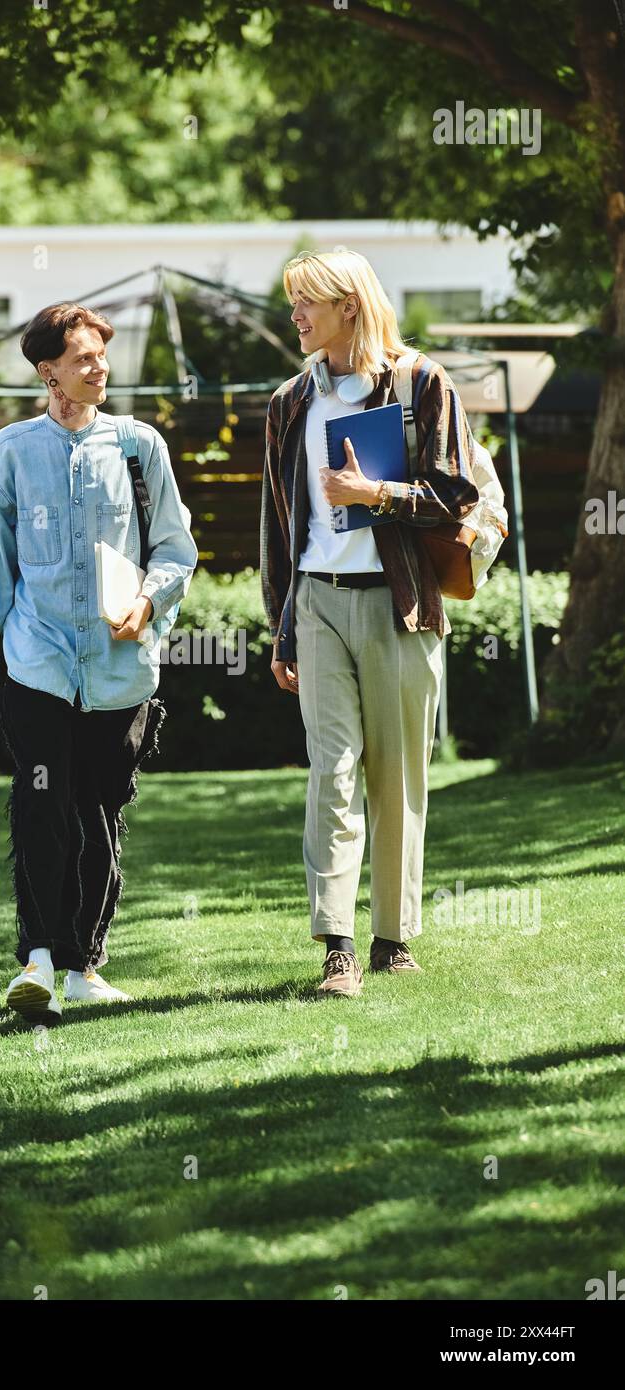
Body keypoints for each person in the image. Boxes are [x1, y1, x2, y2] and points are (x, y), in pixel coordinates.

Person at [0, 302, 197, 1023]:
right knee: (40, 804)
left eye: (102, 355)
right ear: (48, 370)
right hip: (36, 666)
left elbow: (176, 549)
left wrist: (150, 606)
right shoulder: (11, 449)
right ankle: (35, 959)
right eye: (85, 357)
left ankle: (83, 964)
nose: (101, 367)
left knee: (97, 816)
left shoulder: (138, 447)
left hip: (119, 671)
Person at [260, 248, 480, 998]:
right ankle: (339, 947)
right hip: (318, 601)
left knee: (399, 775)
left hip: (400, 602)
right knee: (334, 771)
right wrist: (281, 625)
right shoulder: (289, 400)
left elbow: (456, 496)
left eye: (306, 303)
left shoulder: (422, 383)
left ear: (349, 305)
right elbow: (277, 523)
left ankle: (394, 938)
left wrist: (375, 493)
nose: (295, 316)